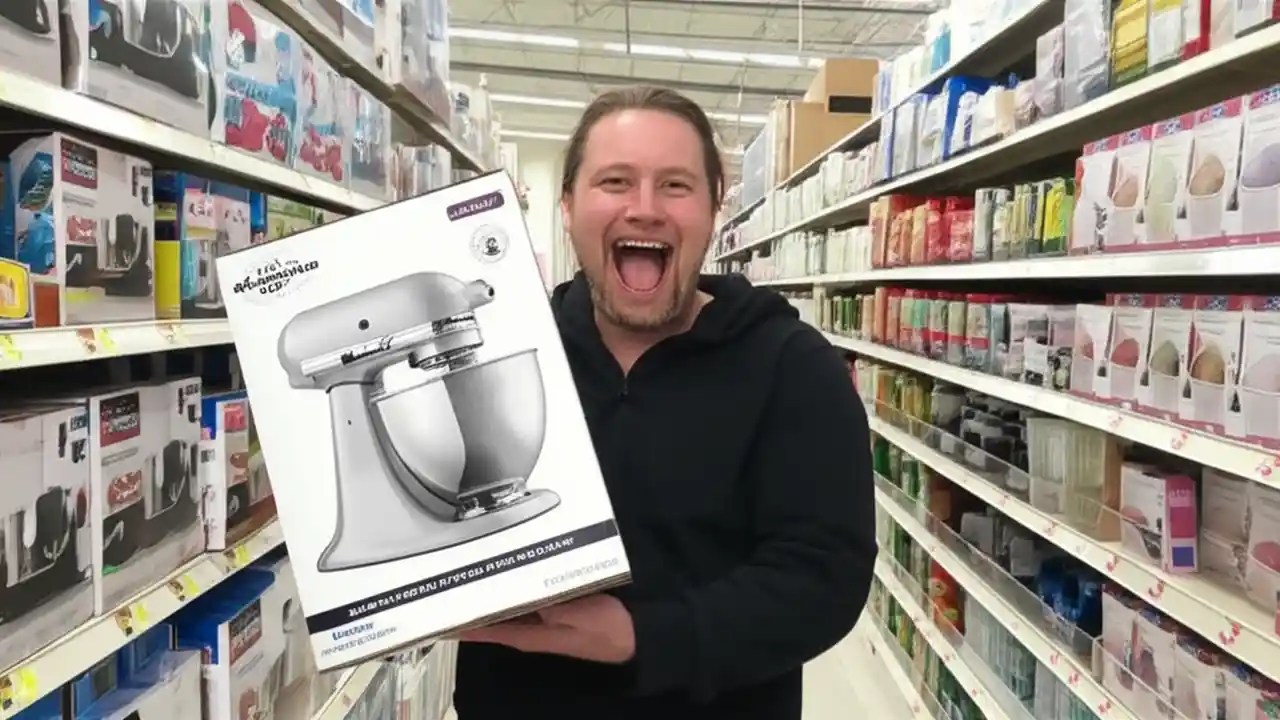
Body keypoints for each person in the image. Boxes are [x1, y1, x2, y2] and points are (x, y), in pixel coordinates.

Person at [452, 85, 876, 720]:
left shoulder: (793, 367)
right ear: (567, 206)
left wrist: (644, 638)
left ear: (714, 209)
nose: (644, 209)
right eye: (615, 181)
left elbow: (824, 578)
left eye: (675, 186)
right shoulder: (499, 349)